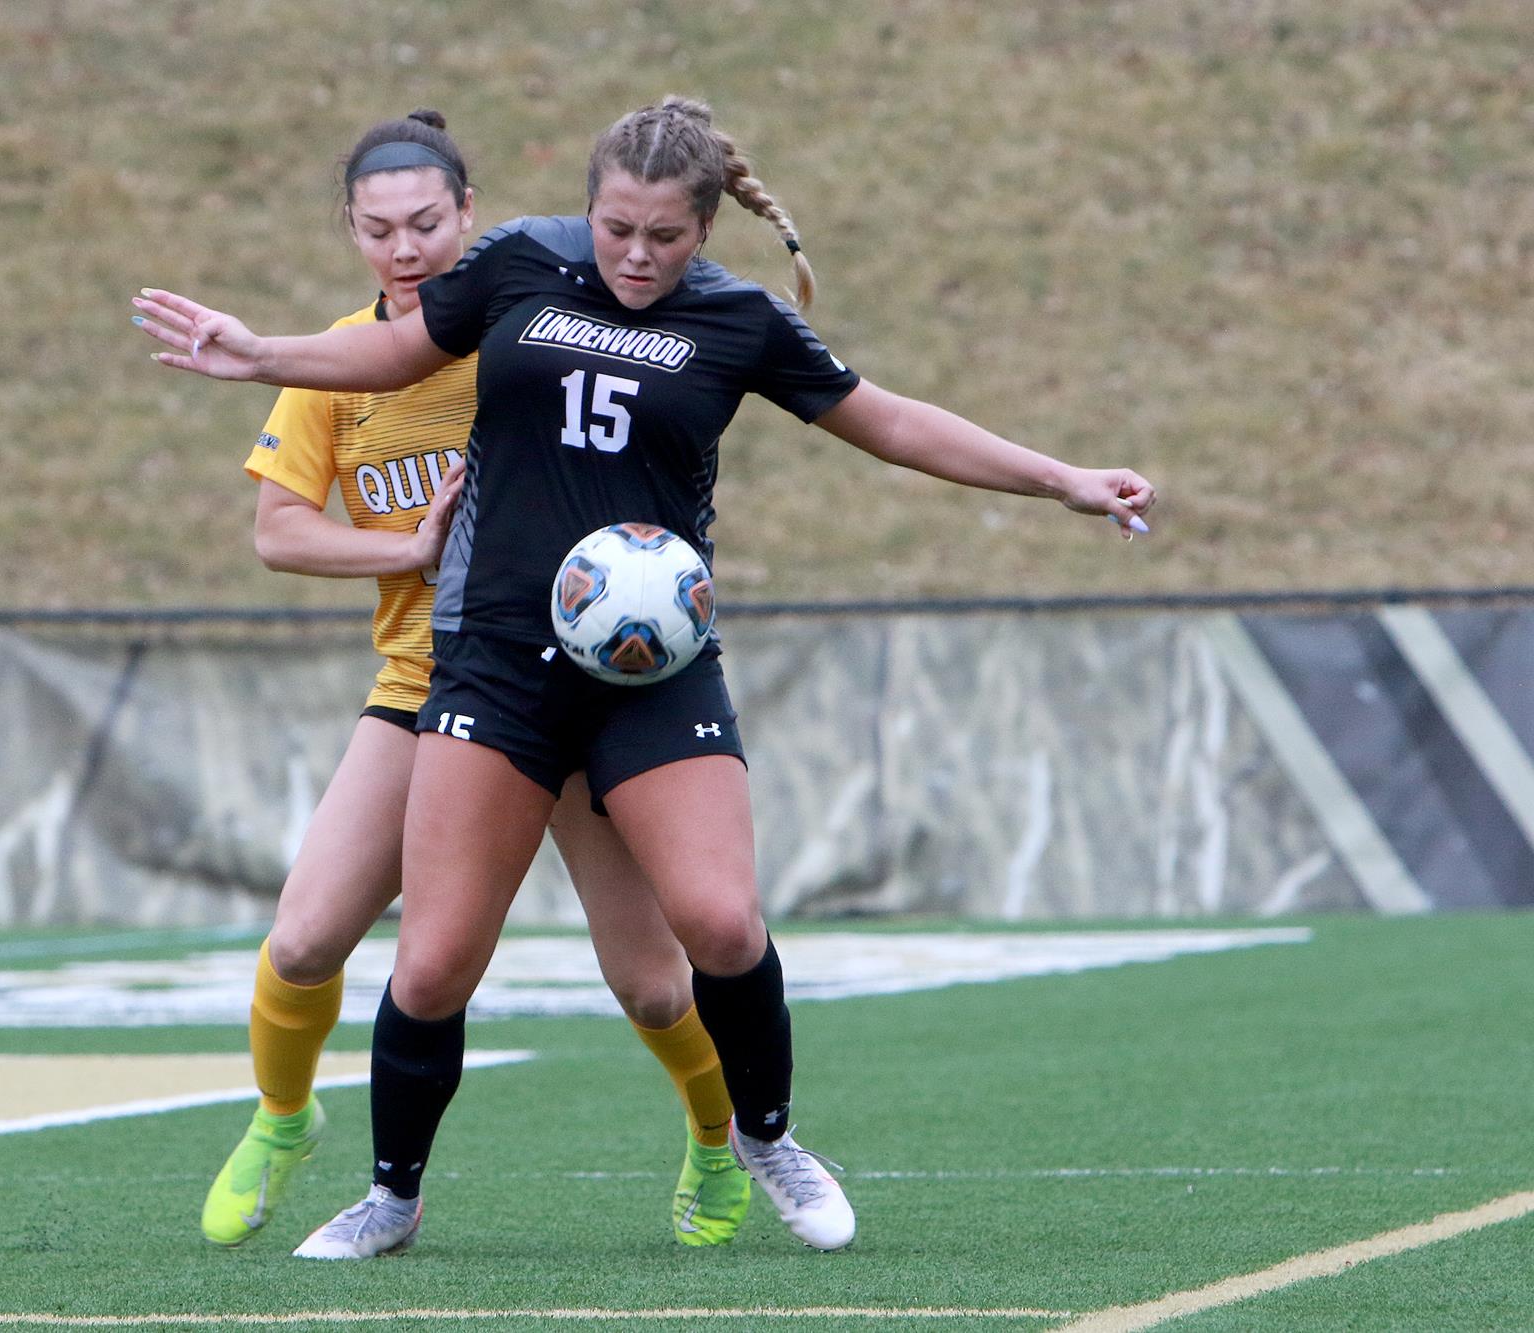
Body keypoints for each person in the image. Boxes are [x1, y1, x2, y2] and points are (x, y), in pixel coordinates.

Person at [135, 95, 1158, 1259]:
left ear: (703, 230)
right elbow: (392, 349)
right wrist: (260, 353)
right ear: (586, 209)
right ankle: (391, 1195)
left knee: (715, 925)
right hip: (496, 665)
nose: (633, 254)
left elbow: (889, 423)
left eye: (662, 236)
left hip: (649, 675)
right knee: (433, 959)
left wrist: (1062, 478)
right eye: (614, 228)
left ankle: (763, 1136)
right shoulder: (515, 263)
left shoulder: (739, 319)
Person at [186, 109, 750, 1253]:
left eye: (425, 223)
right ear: (350, 232)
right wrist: (403, 548)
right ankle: (284, 1119)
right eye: (377, 229)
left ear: (470, 216)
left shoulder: (534, 322)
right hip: (426, 684)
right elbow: (278, 531)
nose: (403, 249)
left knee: (651, 982)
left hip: (581, 684)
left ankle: (717, 1140)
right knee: (306, 940)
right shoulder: (342, 364)